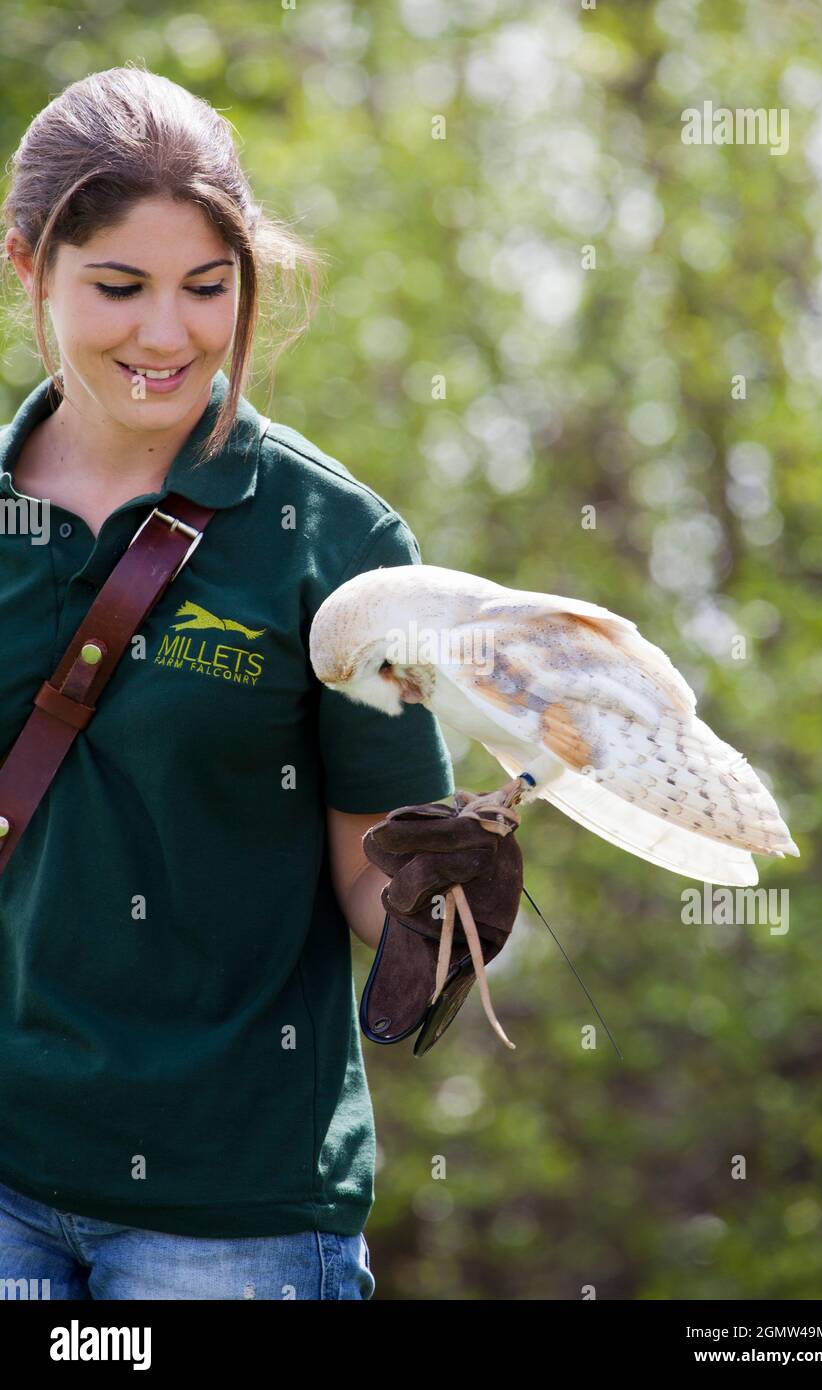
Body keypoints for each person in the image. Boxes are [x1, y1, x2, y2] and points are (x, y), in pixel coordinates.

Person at [0, 63, 456, 1300]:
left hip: (233, 1213)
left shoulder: (341, 545)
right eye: (119, 286)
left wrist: (450, 904)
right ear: (28, 264)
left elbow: (375, 874)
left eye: (209, 288)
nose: (170, 335)